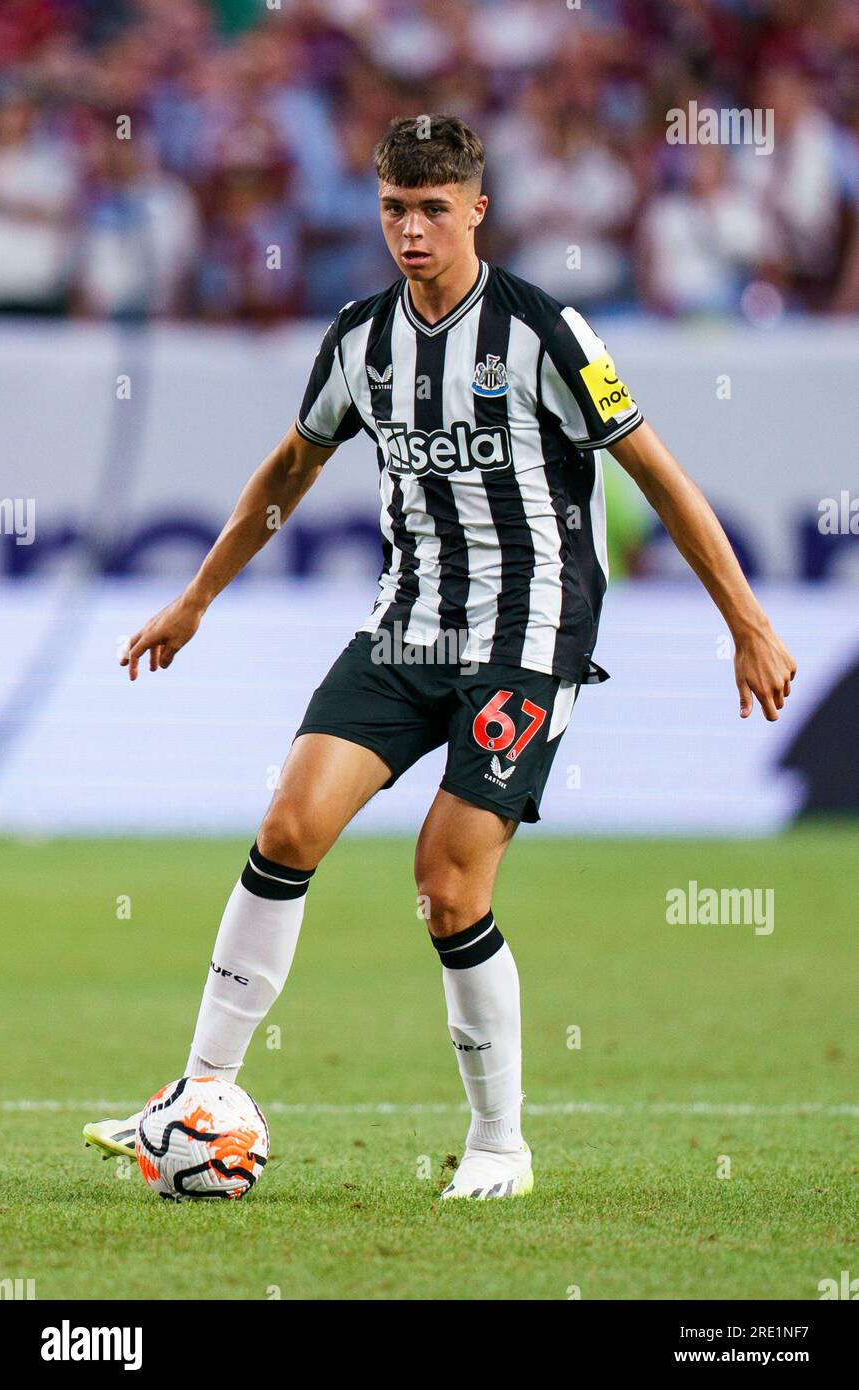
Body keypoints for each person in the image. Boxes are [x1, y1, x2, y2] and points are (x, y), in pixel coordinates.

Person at [84, 115, 795, 1200]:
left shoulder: (542, 331)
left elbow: (654, 472)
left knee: (447, 884)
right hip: (406, 625)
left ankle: (498, 1143)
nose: (411, 231)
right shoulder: (360, 339)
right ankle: (200, 1093)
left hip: (526, 636)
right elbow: (289, 466)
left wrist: (744, 620)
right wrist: (194, 600)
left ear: (476, 208)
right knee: (287, 826)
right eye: (392, 210)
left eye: (431, 208)